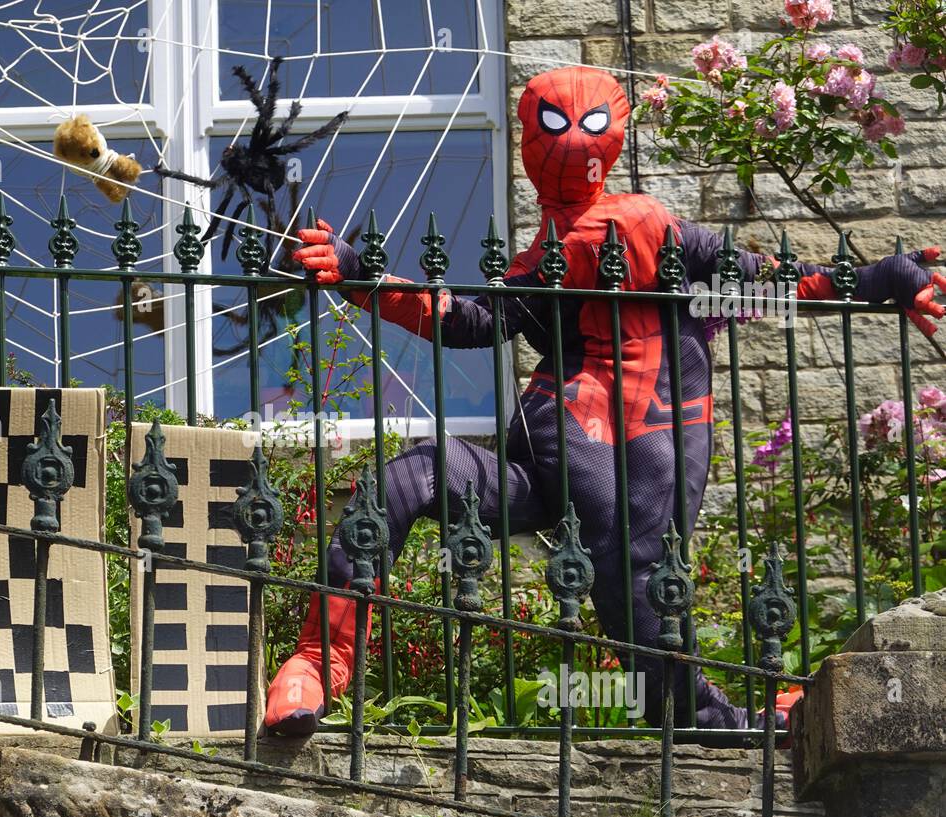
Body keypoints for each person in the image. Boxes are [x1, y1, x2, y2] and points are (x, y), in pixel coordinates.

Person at [266, 65, 946, 736]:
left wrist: (875, 278)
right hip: (562, 444)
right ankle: (319, 662)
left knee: (633, 572)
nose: (568, 144)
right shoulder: (542, 259)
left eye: (584, 124)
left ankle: (711, 717)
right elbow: (475, 319)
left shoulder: (654, 231)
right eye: (555, 126)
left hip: (646, 444)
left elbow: (773, 283)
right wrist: (366, 278)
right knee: (411, 481)